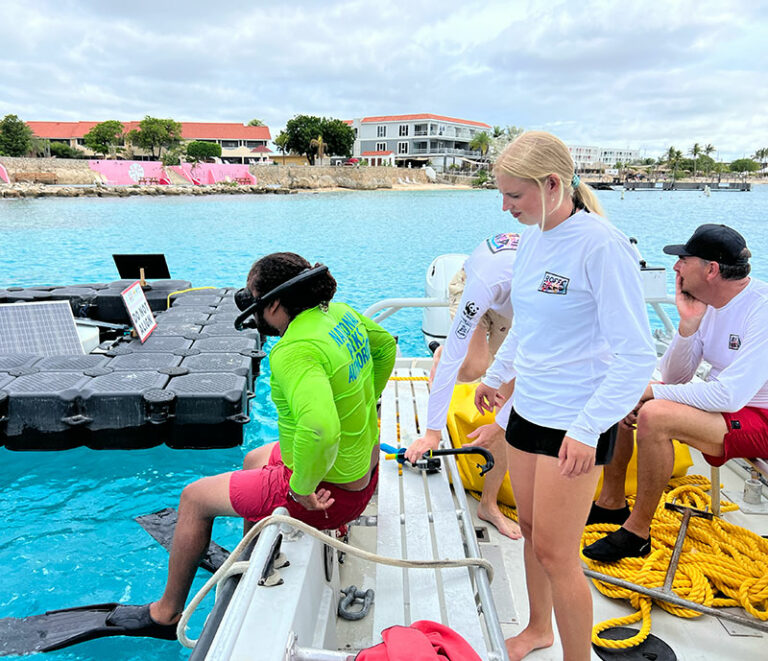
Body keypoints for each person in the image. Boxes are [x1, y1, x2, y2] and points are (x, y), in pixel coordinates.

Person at [471, 132, 656, 661]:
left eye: (514, 196)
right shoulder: (535, 236)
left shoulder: (601, 244)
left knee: (557, 553)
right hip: (529, 408)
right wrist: (497, 375)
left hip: (574, 420)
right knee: (530, 530)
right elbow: (529, 323)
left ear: (553, 185)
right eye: (502, 195)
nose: (505, 208)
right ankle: (537, 629)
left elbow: (636, 355)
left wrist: (586, 427)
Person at [147, 252, 397, 629]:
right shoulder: (341, 314)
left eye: (256, 297)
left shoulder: (294, 349)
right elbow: (385, 347)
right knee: (254, 458)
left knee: (194, 498)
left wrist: (302, 488)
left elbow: (320, 430)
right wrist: (362, 404)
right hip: (363, 473)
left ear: (275, 303)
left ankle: (166, 612)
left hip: (331, 497)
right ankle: (253, 558)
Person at [583, 224, 768, 562]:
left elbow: (729, 396)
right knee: (621, 389)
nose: (676, 267)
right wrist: (687, 325)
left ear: (711, 269)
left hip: (760, 416)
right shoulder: (708, 305)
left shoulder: (762, 309)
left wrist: (652, 393)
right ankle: (611, 504)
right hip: (729, 407)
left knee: (654, 414)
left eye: (684, 259)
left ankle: (637, 532)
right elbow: (676, 375)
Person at [405, 234, 521, 539]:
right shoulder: (484, 284)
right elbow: (462, 352)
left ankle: (489, 504)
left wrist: (500, 423)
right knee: (471, 367)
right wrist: (432, 434)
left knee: (511, 388)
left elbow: (533, 373)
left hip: (516, 307)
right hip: (480, 286)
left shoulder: (557, 299)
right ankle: (440, 355)